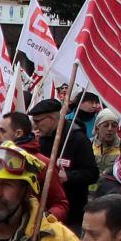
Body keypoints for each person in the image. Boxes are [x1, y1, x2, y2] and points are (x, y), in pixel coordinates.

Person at [29, 97, 99, 226]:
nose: (35, 126)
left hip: (72, 213)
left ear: (51, 118)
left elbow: (92, 173)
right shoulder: (41, 140)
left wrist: (68, 176)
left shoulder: (77, 139)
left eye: (38, 121)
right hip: (45, 210)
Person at [0, 113, 70, 221]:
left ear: (18, 133)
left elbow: (60, 204)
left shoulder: (43, 164)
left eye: (2, 131)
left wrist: (44, 220)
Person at [90, 109, 121, 184]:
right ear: (97, 129)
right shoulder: (88, 144)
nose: (110, 129)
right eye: (106, 125)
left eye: (114, 126)